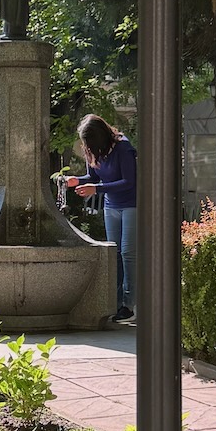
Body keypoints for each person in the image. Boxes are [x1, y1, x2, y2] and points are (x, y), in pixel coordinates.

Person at [65, 114, 137, 320]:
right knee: (113, 253)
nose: (87, 147)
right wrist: (75, 181)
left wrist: (96, 189)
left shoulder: (122, 148)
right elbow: (93, 177)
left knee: (127, 253)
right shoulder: (92, 150)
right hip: (110, 206)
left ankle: (129, 305)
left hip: (131, 205)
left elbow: (129, 181)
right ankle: (113, 304)